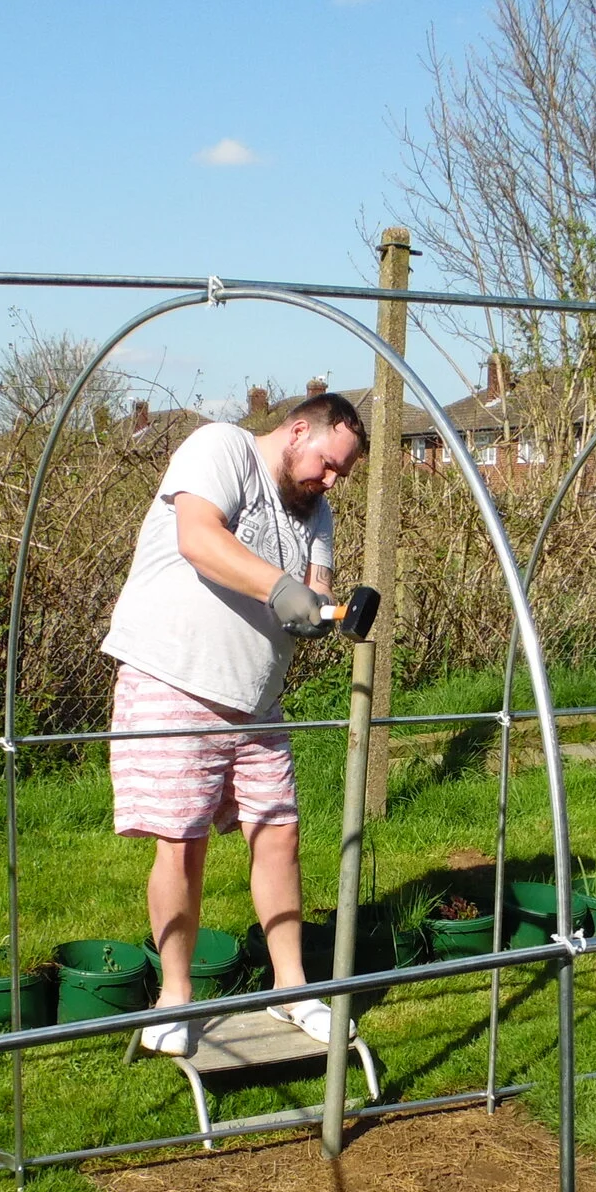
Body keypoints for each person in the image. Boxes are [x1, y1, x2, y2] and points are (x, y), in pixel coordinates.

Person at [102, 390, 367, 1054]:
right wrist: (279, 588)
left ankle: (292, 990)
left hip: (255, 701)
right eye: (328, 464)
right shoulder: (222, 448)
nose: (331, 480)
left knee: (280, 835)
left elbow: (316, 583)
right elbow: (198, 537)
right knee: (181, 842)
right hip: (175, 678)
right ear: (299, 430)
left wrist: (324, 611)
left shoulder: (318, 512)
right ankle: (174, 999)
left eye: (342, 473)